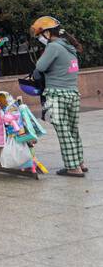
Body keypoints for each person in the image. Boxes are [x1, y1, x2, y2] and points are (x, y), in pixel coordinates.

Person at [30, 16, 86, 177]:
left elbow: (40, 67)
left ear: (47, 33)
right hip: (73, 93)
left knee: (63, 132)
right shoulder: (69, 47)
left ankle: (73, 168)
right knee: (73, 130)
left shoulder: (54, 47)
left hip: (57, 93)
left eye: (40, 34)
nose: (40, 38)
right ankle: (80, 163)